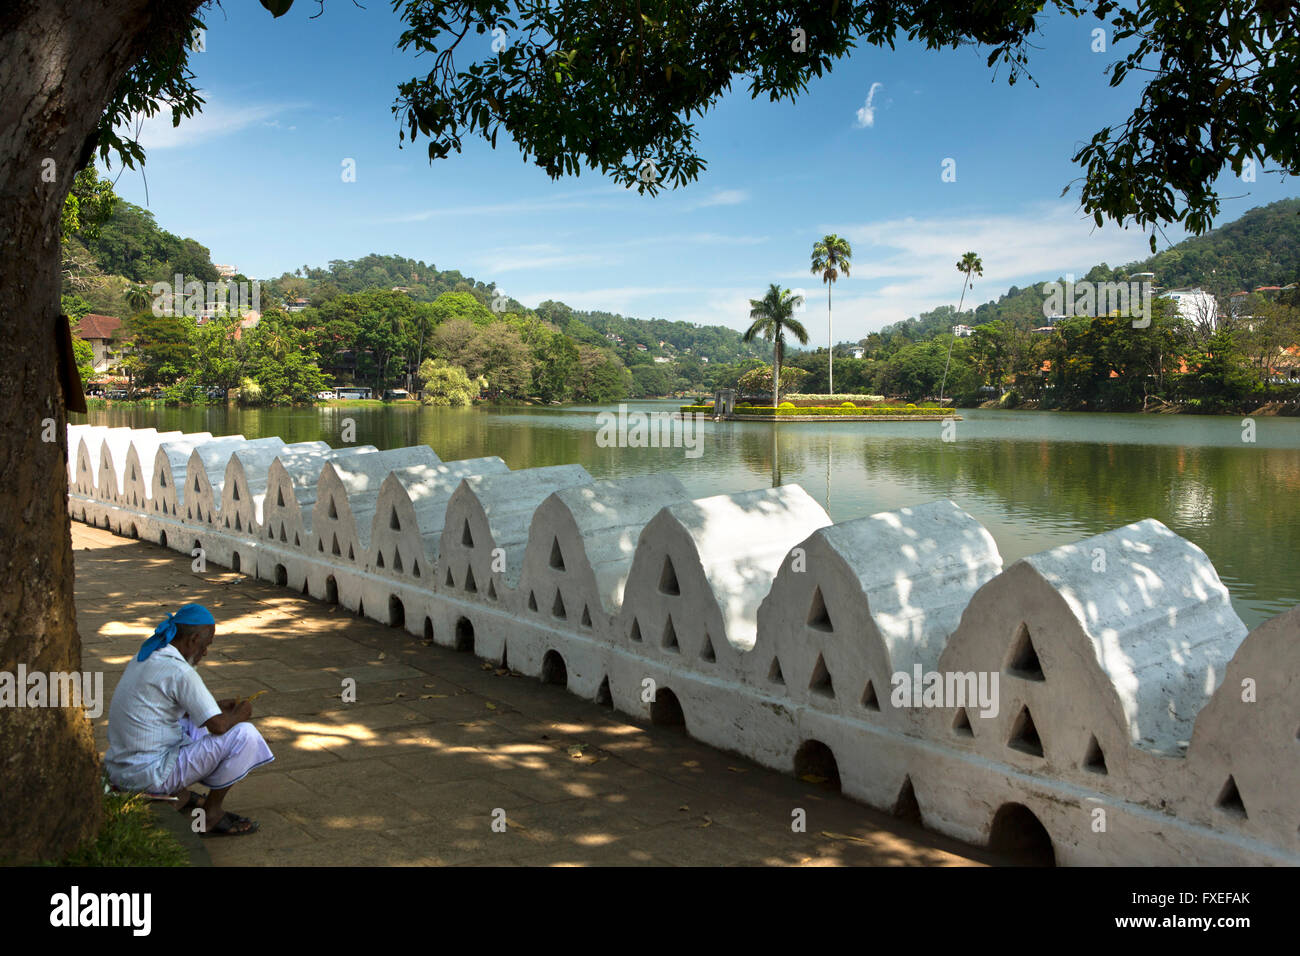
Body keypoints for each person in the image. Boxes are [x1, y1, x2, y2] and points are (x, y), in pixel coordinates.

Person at [104, 604, 274, 836]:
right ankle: (211, 813)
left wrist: (213, 706)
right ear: (194, 639)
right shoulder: (180, 671)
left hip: (121, 768)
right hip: (148, 774)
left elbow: (162, 706)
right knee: (245, 734)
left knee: (193, 723)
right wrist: (242, 712)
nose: (205, 652)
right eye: (206, 646)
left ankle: (178, 794)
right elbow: (219, 726)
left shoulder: (149, 654)